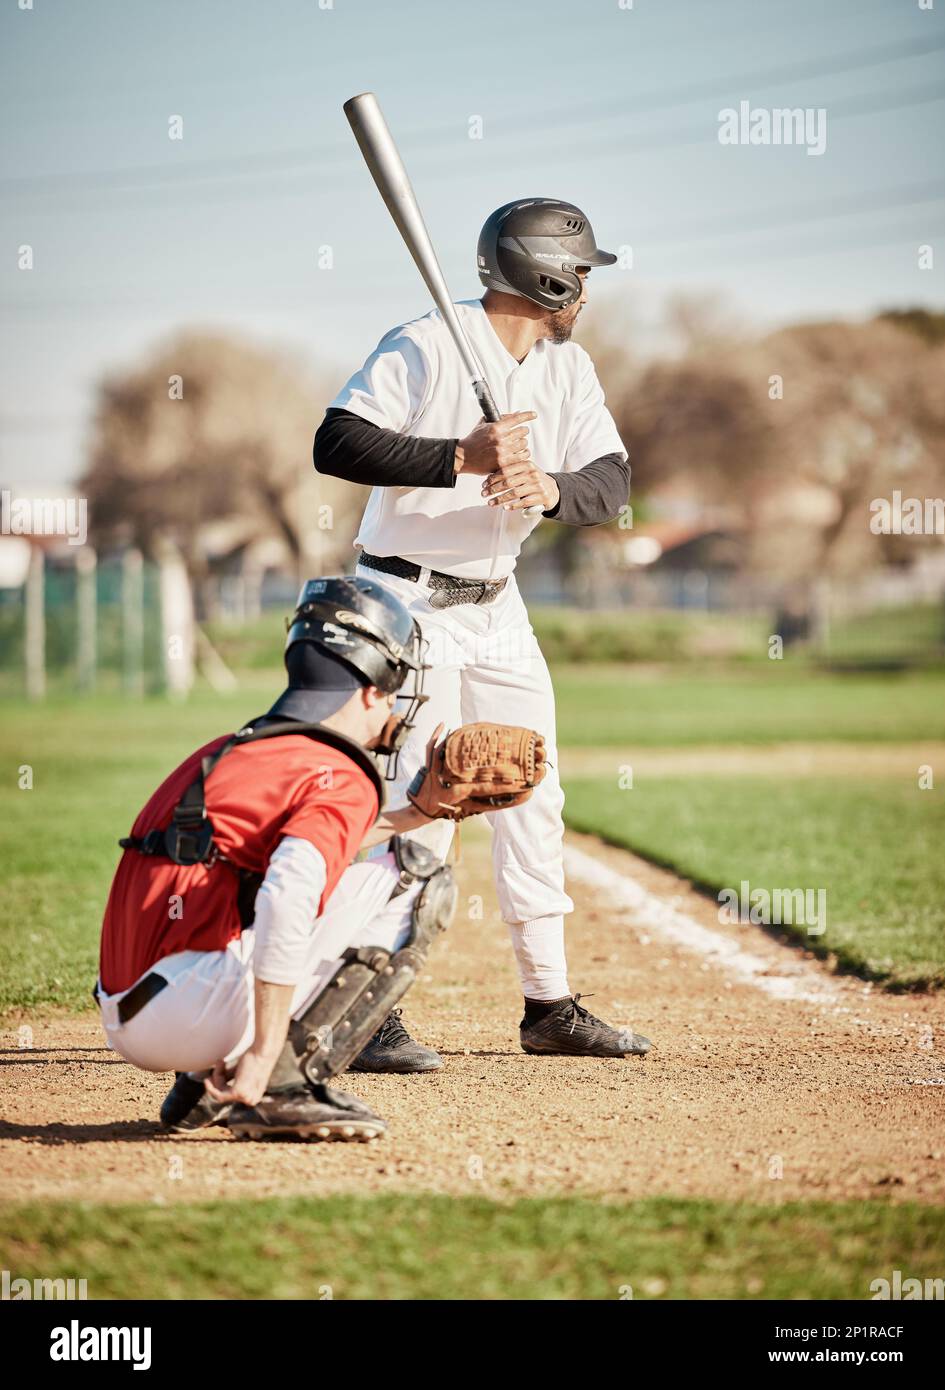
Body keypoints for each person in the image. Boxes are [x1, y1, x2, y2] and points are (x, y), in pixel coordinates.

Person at [315, 198, 652, 1069]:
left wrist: (547, 489)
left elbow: (610, 485)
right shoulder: (426, 342)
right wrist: (457, 457)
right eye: (579, 273)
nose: (584, 290)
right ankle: (372, 1010)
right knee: (420, 800)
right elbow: (336, 441)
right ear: (543, 273)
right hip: (405, 603)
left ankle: (549, 1005)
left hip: (497, 608)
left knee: (530, 791)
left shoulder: (566, 370)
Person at [96, 575, 486, 1142]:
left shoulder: (239, 748)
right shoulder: (342, 773)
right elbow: (287, 894)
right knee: (418, 876)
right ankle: (282, 1081)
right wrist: (262, 1048)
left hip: (131, 1005)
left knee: (323, 872)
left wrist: (416, 813)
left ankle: (202, 1080)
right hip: (187, 1011)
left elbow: (293, 851)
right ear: (372, 689)